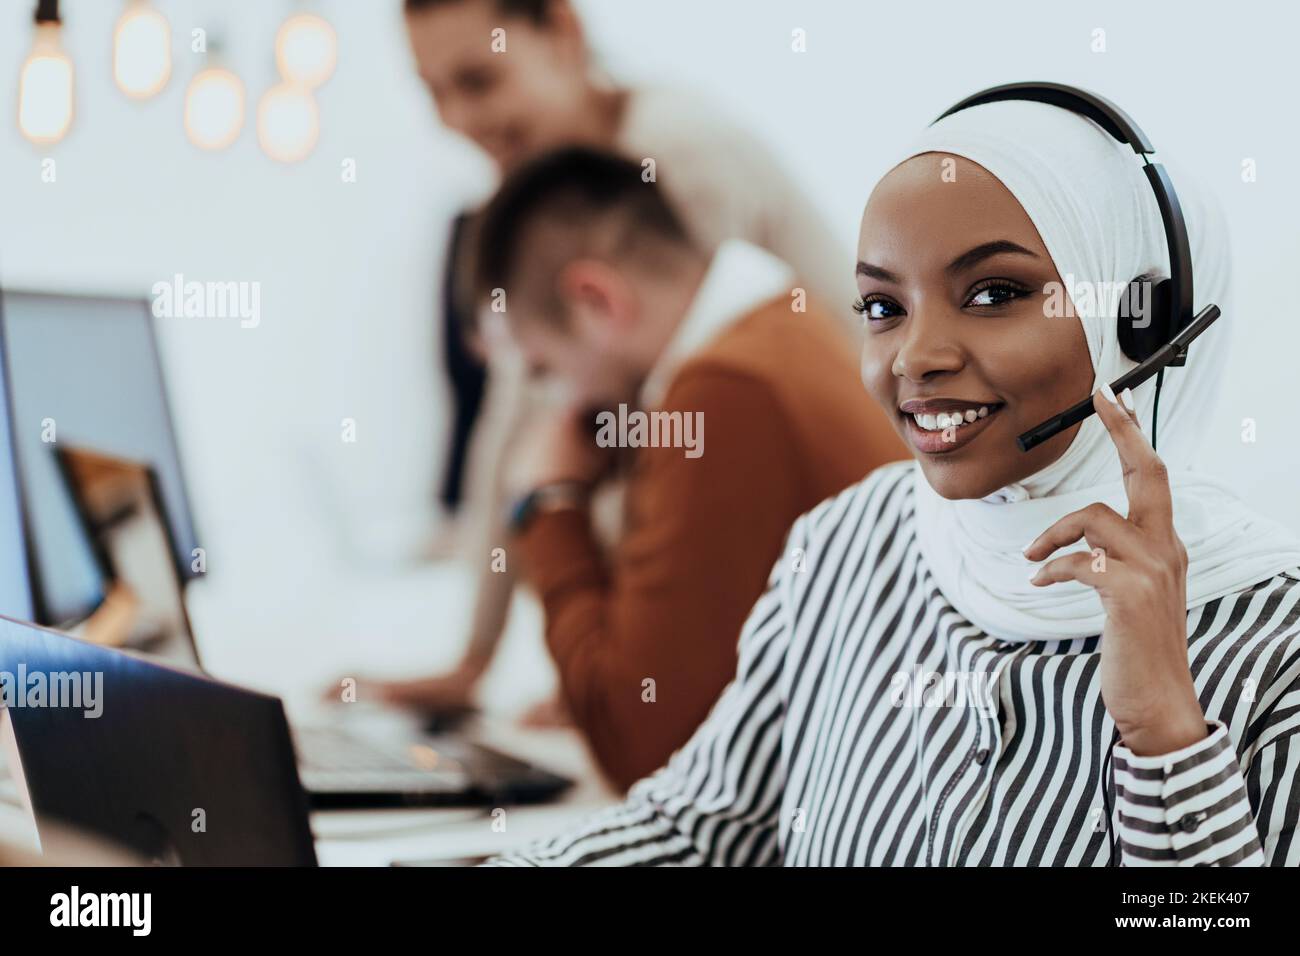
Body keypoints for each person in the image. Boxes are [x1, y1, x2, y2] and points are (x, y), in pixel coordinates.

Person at [484, 97, 1300, 865]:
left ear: (1142, 325)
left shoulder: (1273, 643)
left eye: (993, 293)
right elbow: (699, 832)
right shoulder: (849, 540)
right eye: (883, 307)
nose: (914, 358)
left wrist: (1165, 731)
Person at [356, 0, 861, 718]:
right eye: (432, 90)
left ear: (563, 34)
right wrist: (473, 659)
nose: (457, 120)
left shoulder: (675, 157)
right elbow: (515, 423)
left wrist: (621, 676)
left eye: (478, 80)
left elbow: (665, 438)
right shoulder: (546, 192)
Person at [463, 147, 903, 787]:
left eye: (544, 369)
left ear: (596, 302)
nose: (557, 404)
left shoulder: (722, 393)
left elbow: (642, 758)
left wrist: (549, 503)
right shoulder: (773, 333)